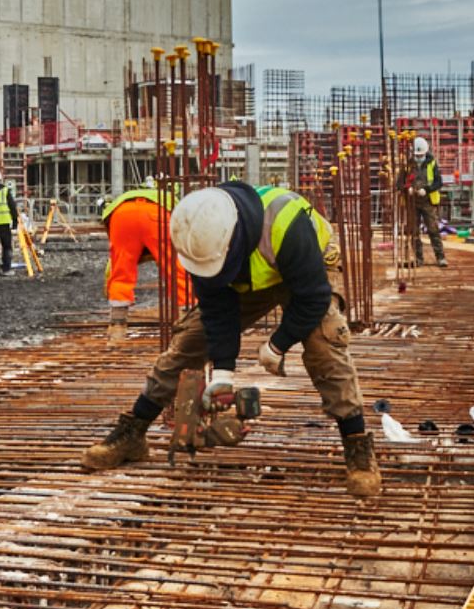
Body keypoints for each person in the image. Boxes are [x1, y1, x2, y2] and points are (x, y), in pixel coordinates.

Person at [82, 182, 379, 498]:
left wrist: (277, 344)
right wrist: (223, 376)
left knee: (325, 343)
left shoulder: (287, 224)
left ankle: (357, 444)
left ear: (234, 243)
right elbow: (217, 312)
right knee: (189, 342)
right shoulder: (197, 234)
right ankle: (133, 433)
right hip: (244, 279)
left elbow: (313, 299)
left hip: (306, 275)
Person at [99, 184, 191, 314]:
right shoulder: (167, 198)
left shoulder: (123, 199)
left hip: (121, 215)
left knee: (121, 268)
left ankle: (118, 319)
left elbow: (112, 265)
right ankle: (187, 311)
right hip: (157, 213)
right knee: (174, 267)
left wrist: (109, 285)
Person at [403, 136, 447, 268]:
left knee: (433, 230)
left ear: (425, 152)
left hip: (428, 202)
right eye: (417, 155)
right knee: (414, 232)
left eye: (421, 155)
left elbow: (438, 182)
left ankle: (441, 257)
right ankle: (418, 259)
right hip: (413, 203)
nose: (418, 157)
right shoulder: (408, 164)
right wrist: (407, 188)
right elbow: (399, 183)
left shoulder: (432, 163)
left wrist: (427, 190)